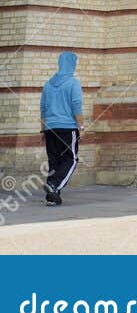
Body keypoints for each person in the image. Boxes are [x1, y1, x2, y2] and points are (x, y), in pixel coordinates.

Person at [40, 52, 83, 205]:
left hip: (50, 128)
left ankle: (52, 197)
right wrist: (81, 126)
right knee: (71, 159)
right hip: (67, 128)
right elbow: (76, 106)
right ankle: (54, 185)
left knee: (54, 160)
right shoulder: (73, 83)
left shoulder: (48, 84)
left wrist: (43, 129)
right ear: (71, 64)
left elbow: (43, 109)